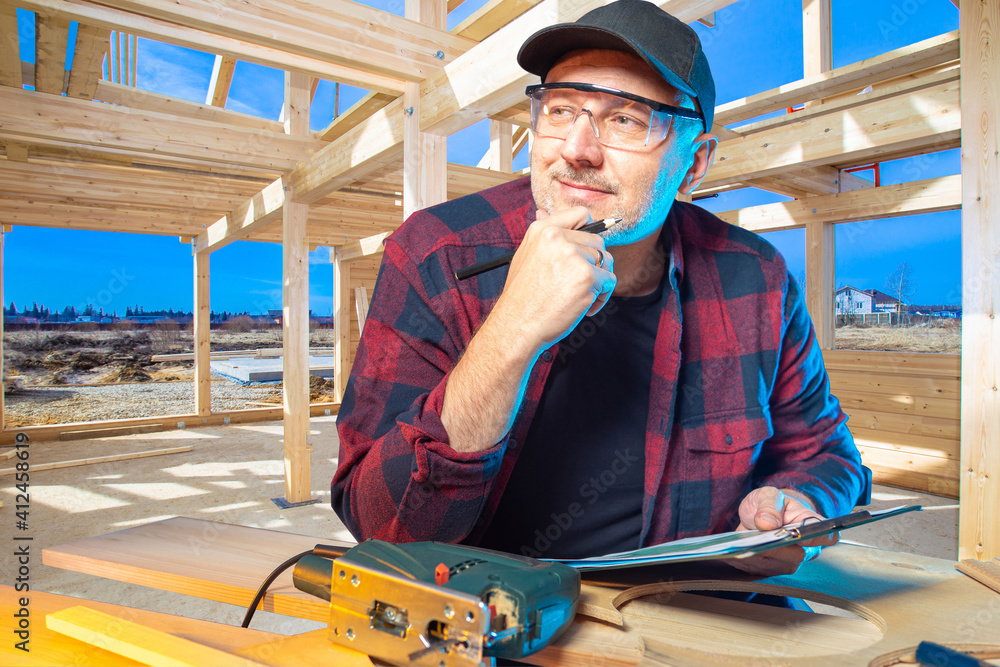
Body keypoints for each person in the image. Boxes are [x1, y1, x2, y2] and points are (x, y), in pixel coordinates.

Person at [331, 0, 867, 577]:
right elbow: (381, 526)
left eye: (625, 120)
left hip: (698, 615)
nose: (576, 149)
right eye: (560, 110)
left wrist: (797, 504)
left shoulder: (757, 279)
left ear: (694, 165)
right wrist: (510, 334)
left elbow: (827, 455)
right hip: (496, 623)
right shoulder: (435, 253)